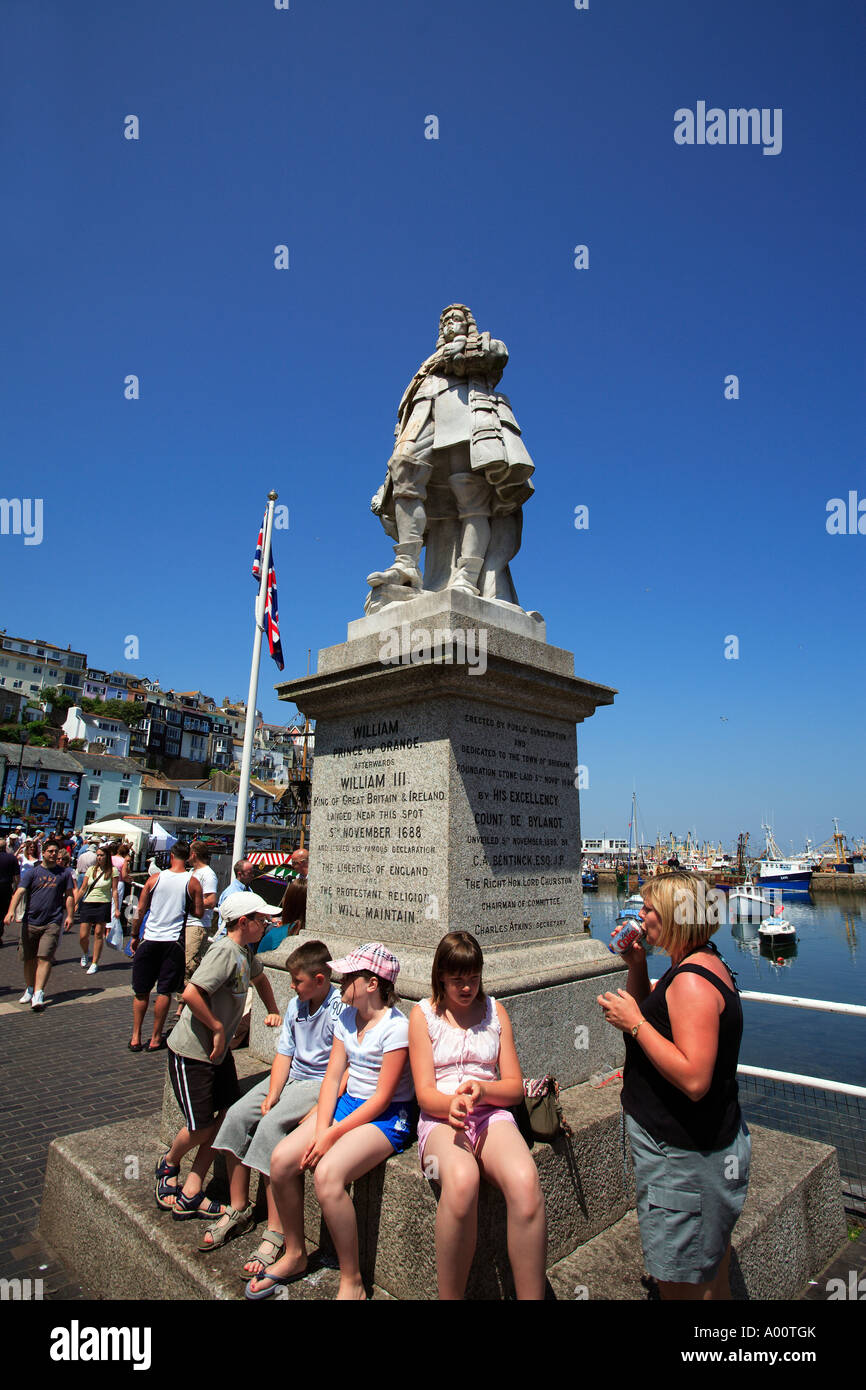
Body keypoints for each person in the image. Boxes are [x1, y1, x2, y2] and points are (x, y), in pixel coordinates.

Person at [597, 870, 751, 1301]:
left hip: (684, 1158)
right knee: (710, 1277)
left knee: (682, 1286)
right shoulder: (697, 963)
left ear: (676, 919)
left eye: (650, 910)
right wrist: (638, 964)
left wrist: (637, 1024)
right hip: (694, 1150)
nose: (641, 916)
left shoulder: (691, 983)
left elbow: (695, 1078)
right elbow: (655, 1016)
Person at [246, 942, 415, 1301]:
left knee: (327, 1174)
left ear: (372, 983)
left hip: (386, 1116)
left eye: (348, 977)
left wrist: (332, 1134)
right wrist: (322, 1129)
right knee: (281, 1159)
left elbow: (384, 1097)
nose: (341, 982)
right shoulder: (347, 1018)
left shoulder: (397, 1028)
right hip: (347, 1103)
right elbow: (333, 1078)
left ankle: (351, 1279)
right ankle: (294, 1253)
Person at [409, 930, 546, 1300]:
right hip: (441, 1119)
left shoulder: (495, 1011)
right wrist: (448, 1104)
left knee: (525, 1181)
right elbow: (424, 1094)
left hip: (491, 1115)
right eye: (457, 980)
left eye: (473, 979)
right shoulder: (422, 1015)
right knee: (463, 1178)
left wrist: (484, 1089)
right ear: (441, 976)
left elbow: (515, 1087)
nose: (467, 987)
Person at [366, 304, 535, 605]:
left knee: (470, 495)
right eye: (444, 321)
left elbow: (497, 355)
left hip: (465, 416)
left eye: (455, 319)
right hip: (424, 417)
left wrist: (461, 353)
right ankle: (406, 565)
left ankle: (467, 577)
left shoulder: (481, 343)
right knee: (403, 469)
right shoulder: (427, 364)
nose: (448, 324)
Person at [202, 939, 345, 1271]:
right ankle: (238, 1206)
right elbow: (284, 1054)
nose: (292, 987)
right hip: (291, 1075)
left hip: (317, 1083)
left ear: (320, 980)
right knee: (237, 1115)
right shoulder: (297, 1005)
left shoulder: (339, 1010)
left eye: (297, 981)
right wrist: (271, 1093)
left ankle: (277, 1229)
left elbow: (340, 1066)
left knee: (270, 1128)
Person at [155, 892, 283, 1220]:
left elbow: (261, 978)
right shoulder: (225, 951)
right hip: (194, 1052)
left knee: (225, 1116)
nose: (266, 925)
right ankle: (169, 1163)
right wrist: (216, 1027)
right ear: (244, 922)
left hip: (218, 1052)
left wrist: (272, 1009)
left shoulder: (245, 952)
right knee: (200, 1126)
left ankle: (192, 1188)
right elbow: (191, 993)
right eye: (262, 920)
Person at [128, 842, 204, 1053]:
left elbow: (140, 909)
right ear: (188, 857)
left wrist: (135, 935)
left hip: (150, 938)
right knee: (164, 991)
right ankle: (154, 1037)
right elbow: (199, 912)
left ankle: (135, 1037)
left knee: (141, 991)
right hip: (173, 942)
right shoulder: (193, 882)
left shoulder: (154, 879)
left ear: (171, 856)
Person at [6, 840, 75, 1011]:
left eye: (56, 852)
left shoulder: (64, 874)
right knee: (29, 959)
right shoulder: (33, 873)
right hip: (31, 921)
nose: (53, 854)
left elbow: (69, 895)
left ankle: (39, 992)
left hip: (52, 921)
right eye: (50, 851)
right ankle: (29, 988)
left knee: (44, 957)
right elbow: (19, 892)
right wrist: (11, 911)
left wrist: (70, 915)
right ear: (43, 853)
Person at [75, 843, 119, 974]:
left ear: (107, 856)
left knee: (99, 933)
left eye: (101, 855)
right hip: (89, 902)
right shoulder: (91, 870)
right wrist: (76, 903)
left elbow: (115, 890)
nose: (99, 857)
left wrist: (116, 908)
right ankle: (85, 952)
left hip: (103, 903)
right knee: (83, 935)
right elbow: (83, 887)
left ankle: (94, 962)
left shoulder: (113, 871)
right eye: (98, 855)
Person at [214, 858, 257, 937]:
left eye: (253, 872)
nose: (253, 875)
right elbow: (228, 920)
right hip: (230, 937)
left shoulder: (248, 890)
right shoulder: (231, 893)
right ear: (240, 874)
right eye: (249, 873)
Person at [279, 847, 308, 933]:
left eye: (294, 863)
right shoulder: (296, 879)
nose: (292, 865)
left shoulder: (314, 881)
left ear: (302, 863)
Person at [0, 836, 20, 945]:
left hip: (5, 886)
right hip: (5, 887)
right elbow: (16, 876)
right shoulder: (12, 858)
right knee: (2, 911)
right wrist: (17, 887)